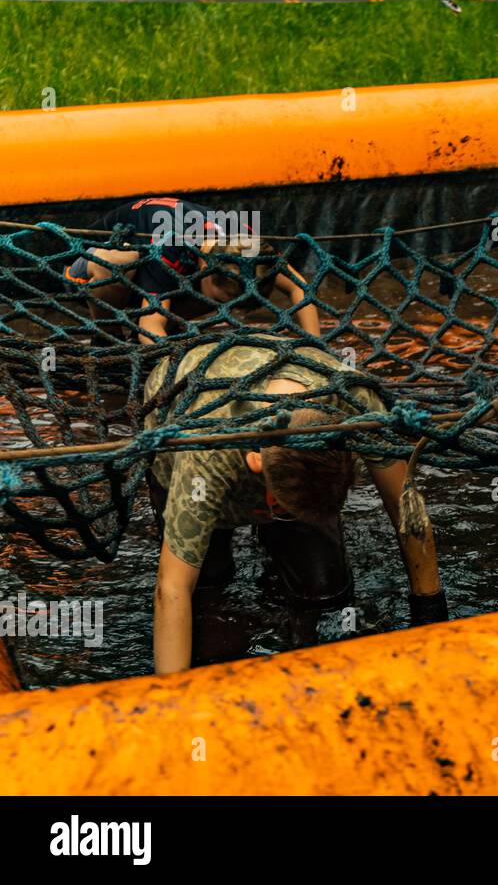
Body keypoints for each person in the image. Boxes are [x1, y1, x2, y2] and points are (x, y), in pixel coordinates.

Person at [142, 335, 444, 673]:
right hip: (182, 415)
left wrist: (429, 612)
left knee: (326, 595)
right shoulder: (207, 453)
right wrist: (171, 703)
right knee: (209, 591)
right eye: (279, 509)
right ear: (256, 466)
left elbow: (405, 505)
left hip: (290, 443)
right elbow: (172, 588)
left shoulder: (354, 401)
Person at [63, 196, 320, 344]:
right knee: (114, 261)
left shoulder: (249, 245)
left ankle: (174, 326)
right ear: (205, 267)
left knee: (197, 301)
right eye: (223, 300)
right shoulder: (173, 244)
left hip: (166, 275)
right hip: (84, 270)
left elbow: (300, 289)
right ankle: (107, 337)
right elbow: (149, 326)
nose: (227, 311)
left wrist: (315, 347)